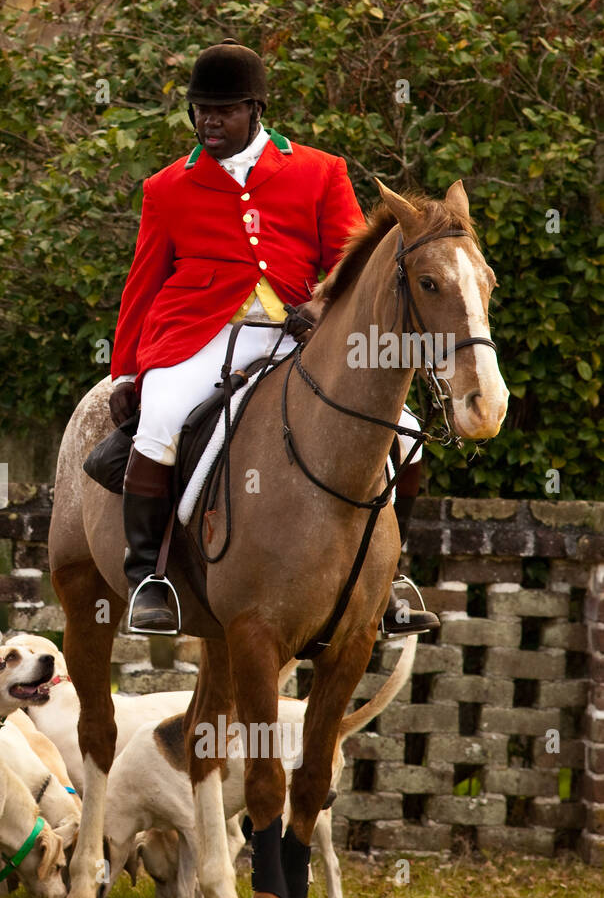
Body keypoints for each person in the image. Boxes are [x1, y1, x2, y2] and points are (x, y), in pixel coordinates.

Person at [109, 39, 436, 638]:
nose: (209, 121)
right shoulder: (166, 188)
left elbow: (350, 260)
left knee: (410, 436)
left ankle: (391, 577)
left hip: (299, 334)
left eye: (224, 110)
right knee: (158, 422)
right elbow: (142, 283)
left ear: (256, 109)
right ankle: (148, 579)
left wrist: (320, 303)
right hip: (200, 336)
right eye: (200, 109)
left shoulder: (319, 170)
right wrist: (126, 371)